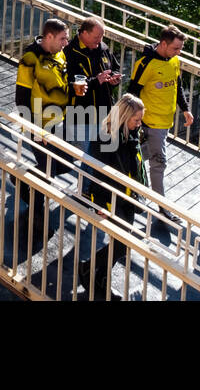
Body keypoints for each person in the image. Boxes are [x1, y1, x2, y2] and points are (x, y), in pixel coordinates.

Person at [78, 94, 147, 300]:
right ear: (124, 116)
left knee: (122, 242)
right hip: (110, 197)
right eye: (136, 119)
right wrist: (98, 204)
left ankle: (99, 276)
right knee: (123, 242)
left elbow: (137, 165)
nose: (139, 123)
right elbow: (96, 171)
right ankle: (88, 269)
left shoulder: (132, 134)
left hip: (127, 197)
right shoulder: (106, 136)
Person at [127, 25, 192, 225]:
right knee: (159, 163)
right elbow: (132, 92)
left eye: (180, 48)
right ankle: (162, 207)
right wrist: (132, 120)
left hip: (165, 122)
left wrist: (186, 109)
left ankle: (129, 181)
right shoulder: (145, 64)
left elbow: (177, 85)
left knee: (139, 155)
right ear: (163, 44)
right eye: (176, 48)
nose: (178, 52)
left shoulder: (174, 61)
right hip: (150, 121)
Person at [64, 16, 121, 186]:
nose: (100, 40)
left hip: (104, 109)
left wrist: (114, 78)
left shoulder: (102, 48)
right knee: (90, 154)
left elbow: (114, 66)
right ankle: (85, 191)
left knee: (97, 153)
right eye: (96, 37)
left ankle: (87, 190)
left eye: (102, 36)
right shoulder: (69, 52)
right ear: (83, 33)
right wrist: (96, 81)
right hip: (81, 111)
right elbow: (70, 84)